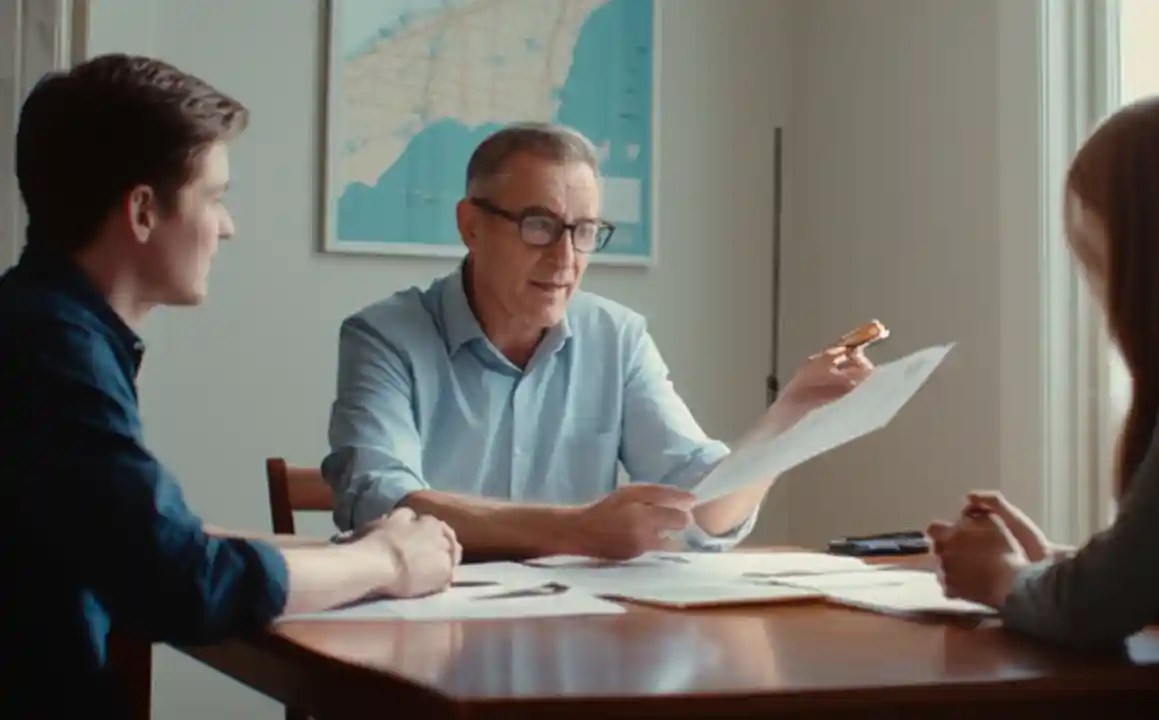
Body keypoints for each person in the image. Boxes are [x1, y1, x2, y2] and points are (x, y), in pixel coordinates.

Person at [0, 53, 460, 717]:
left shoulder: (42, 325)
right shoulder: (52, 351)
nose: (227, 225)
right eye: (214, 197)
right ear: (142, 211)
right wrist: (387, 563)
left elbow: (146, 537)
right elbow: (182, 582)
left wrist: (356, 550)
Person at [323, 122, 874, 560]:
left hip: (577, 637)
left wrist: (792, 414)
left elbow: (703, 508)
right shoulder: (386, 337)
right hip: (426, 632)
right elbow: (382, 503)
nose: (565, 260)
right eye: (539, 225)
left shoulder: (617, 336)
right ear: (471, 225)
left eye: (584, 231)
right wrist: (577, 530)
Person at [926, 90, 1159, 650]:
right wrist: (1053, 568)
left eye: (1094, 258)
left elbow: (1098, 610)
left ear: (1148, 248)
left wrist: (1001, 578)